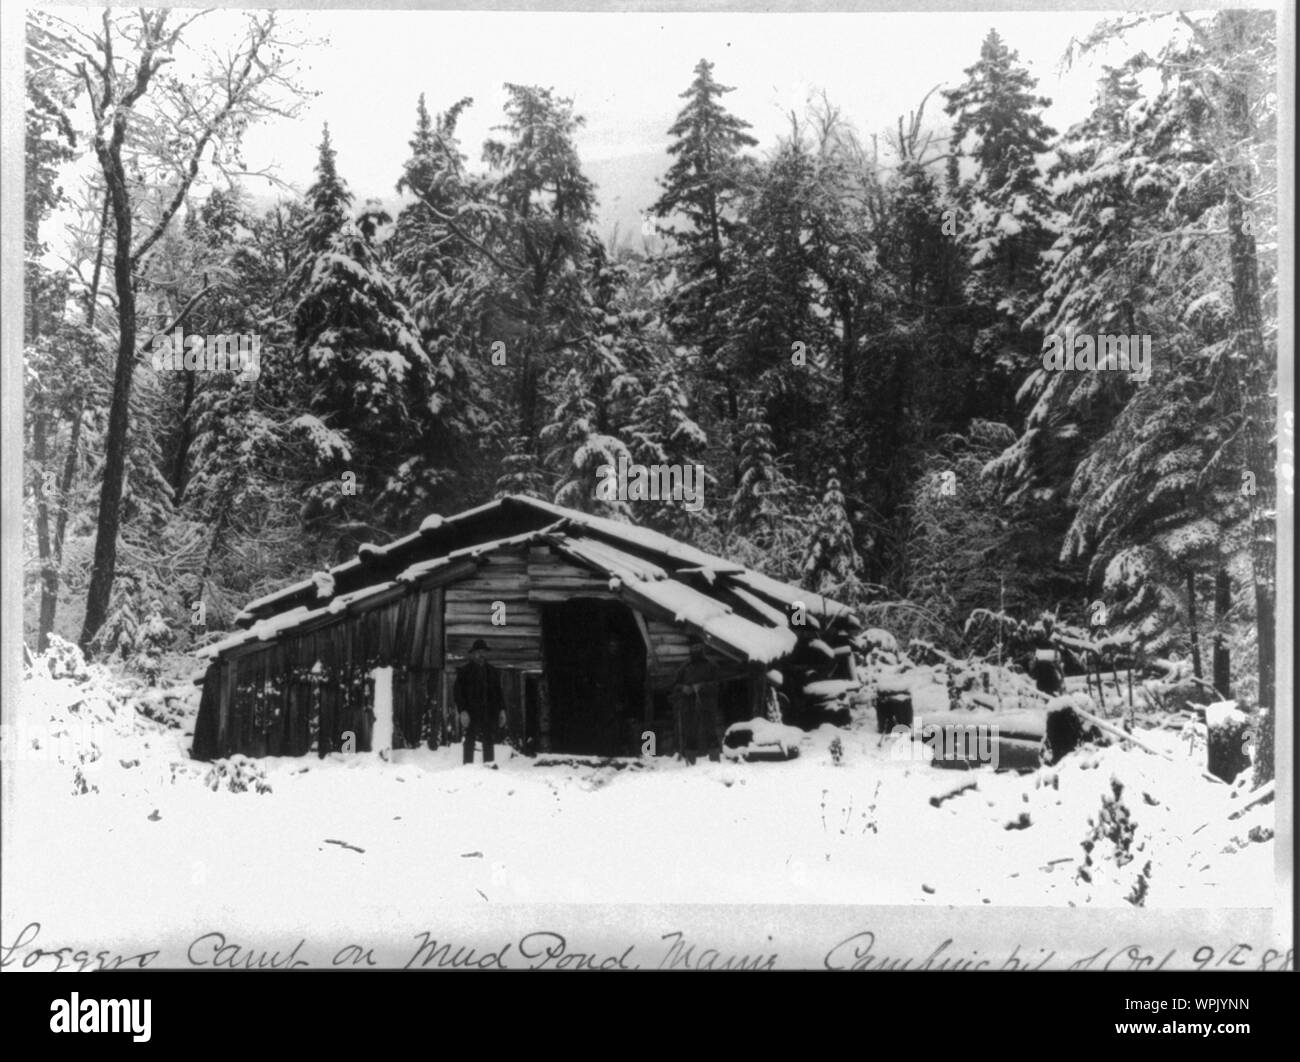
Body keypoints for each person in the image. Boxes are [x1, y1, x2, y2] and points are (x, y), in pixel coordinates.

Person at [671, 637, 723, 763]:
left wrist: (702, 687)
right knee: (690, 733)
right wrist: (683, 688)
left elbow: (719, 685)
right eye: (693, 647)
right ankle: (690, 762)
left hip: (707, 705)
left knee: (711, 733)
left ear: (702, 648)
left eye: (698, 647)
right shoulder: (684, 667)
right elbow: (674, 686)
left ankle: (715, 762)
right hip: (689, 706)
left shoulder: (711, 665)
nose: (695, 649)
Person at [454, 639, 506, 765]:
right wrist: (463, 711)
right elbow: (457, 693)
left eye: (483, 652)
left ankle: (489, 766)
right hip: (471, 712)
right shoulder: (464, 672)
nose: (481, 654)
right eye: (478, 652)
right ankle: (467, 767)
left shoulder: (492, 672)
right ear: (473, 654)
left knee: (488, 739)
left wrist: (502, 711)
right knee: (469, 739)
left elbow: (499, 693)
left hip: (489, 711)